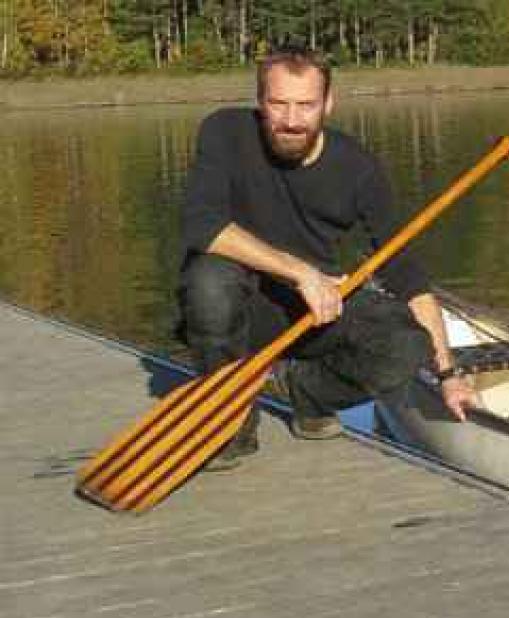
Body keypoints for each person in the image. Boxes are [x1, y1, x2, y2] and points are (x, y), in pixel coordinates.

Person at [178, 47, 476, 470]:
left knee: (408, 346)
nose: (292, 120)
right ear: (261, 102)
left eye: (306, 105)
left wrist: (448, 375)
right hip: (243, 308)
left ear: (328, 104)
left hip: (315, 311)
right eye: (279, 104)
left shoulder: (358, 169)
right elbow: (202, 226)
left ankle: (301, 392)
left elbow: (406, 274)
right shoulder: (224, 132)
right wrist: (300, 272)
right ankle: (229, 421)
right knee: (207, 281)